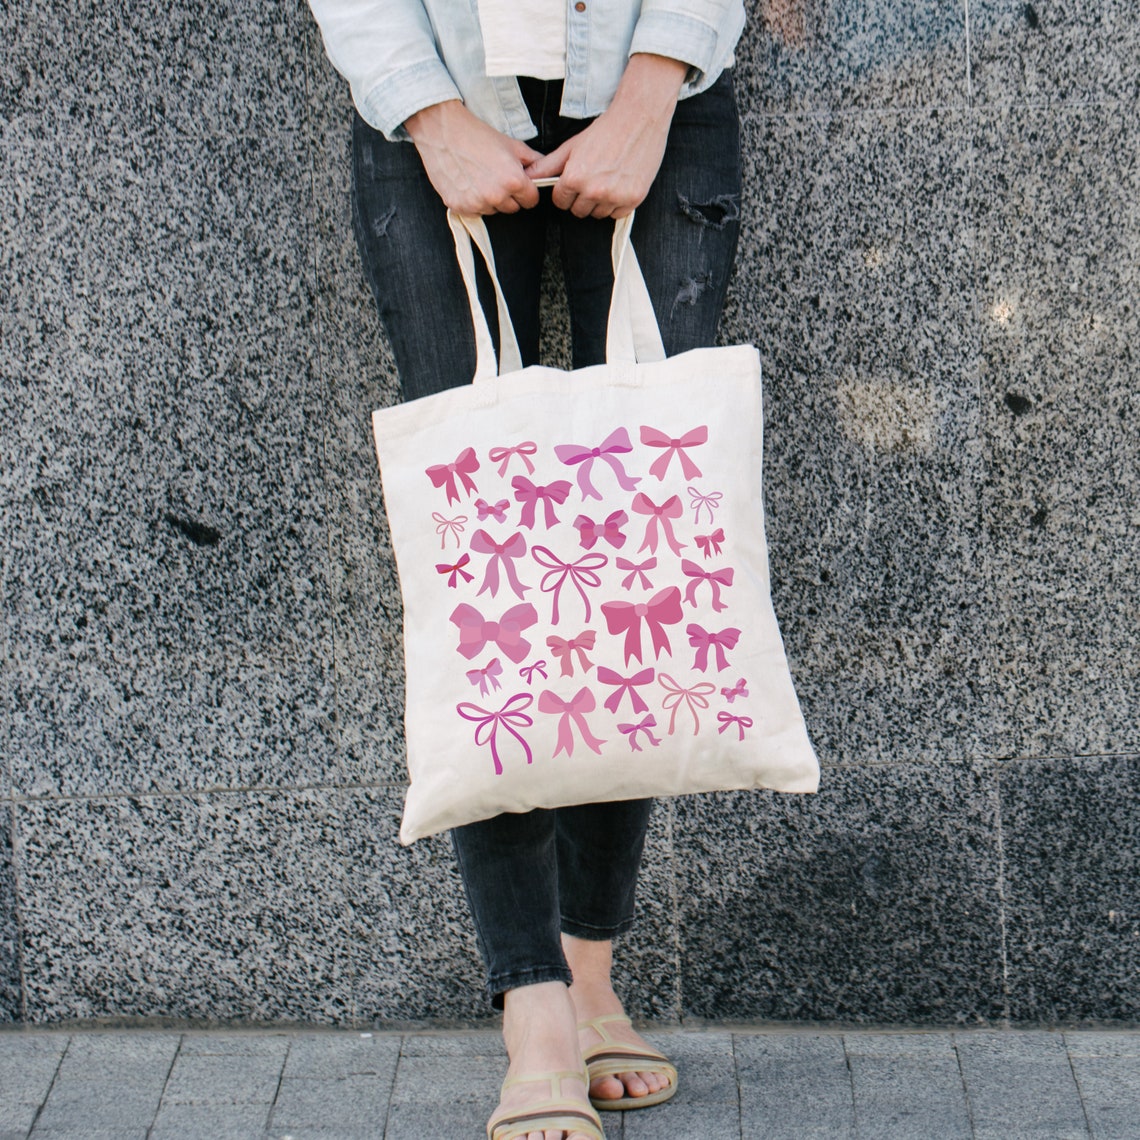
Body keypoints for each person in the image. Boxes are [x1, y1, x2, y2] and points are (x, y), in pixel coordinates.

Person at [309, 2, 746, 1136]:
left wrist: (651, 91)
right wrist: (429, 110)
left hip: (662, 89)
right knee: (485, 574)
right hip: (434, 96)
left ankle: (591, 972)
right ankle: (536, 1006)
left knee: (634, 556)